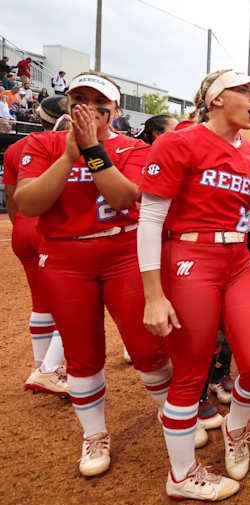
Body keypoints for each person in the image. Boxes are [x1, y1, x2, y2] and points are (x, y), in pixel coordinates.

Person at [14, 72, 173, 478]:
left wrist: (92, 150)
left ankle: (172, 415)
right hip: (66, 257)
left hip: (122, 251)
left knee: (148, 347)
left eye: (96, 100)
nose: (86, 107)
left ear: (114, 109)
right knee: (82, 355)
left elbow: (122, 198)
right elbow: (28, 203)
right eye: (78, 98)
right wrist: (69, 156)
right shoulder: (41, 143)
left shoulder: (135, 148)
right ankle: (94, 434)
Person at [138, 69, 250, 501]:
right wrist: (153, 294)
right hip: (190, 258)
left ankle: (235, 429)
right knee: (190, 373)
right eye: (244, 89)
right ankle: (181, 476)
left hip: (239, 262)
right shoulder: (178, 142)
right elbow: (149, 219)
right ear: (216, 99)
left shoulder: (245, 154)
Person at [4, 95, 70, 396]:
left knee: (40, 301)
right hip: (50, 228)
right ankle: (48, 368)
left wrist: (20, 225)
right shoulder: (70, 142)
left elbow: (12, 195)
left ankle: (41, 364)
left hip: (23, 228)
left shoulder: (18, 147)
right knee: (73, 302)